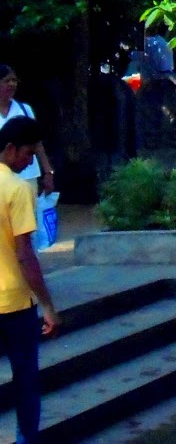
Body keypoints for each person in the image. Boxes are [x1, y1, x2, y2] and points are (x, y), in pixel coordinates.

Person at [0, 118, 59, 443]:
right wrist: (48, 306)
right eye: (27, 154)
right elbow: (25, 255)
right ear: (10, 149)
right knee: (25, 381)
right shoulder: (17, 189)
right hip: (15, 304)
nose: (30, 162)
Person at [0, 68, 53, 197]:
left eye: (14, 80)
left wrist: (48, 173)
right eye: (7, 81)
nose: (12, 84)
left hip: (27, 175)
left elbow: (37, 144)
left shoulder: (24, 109)